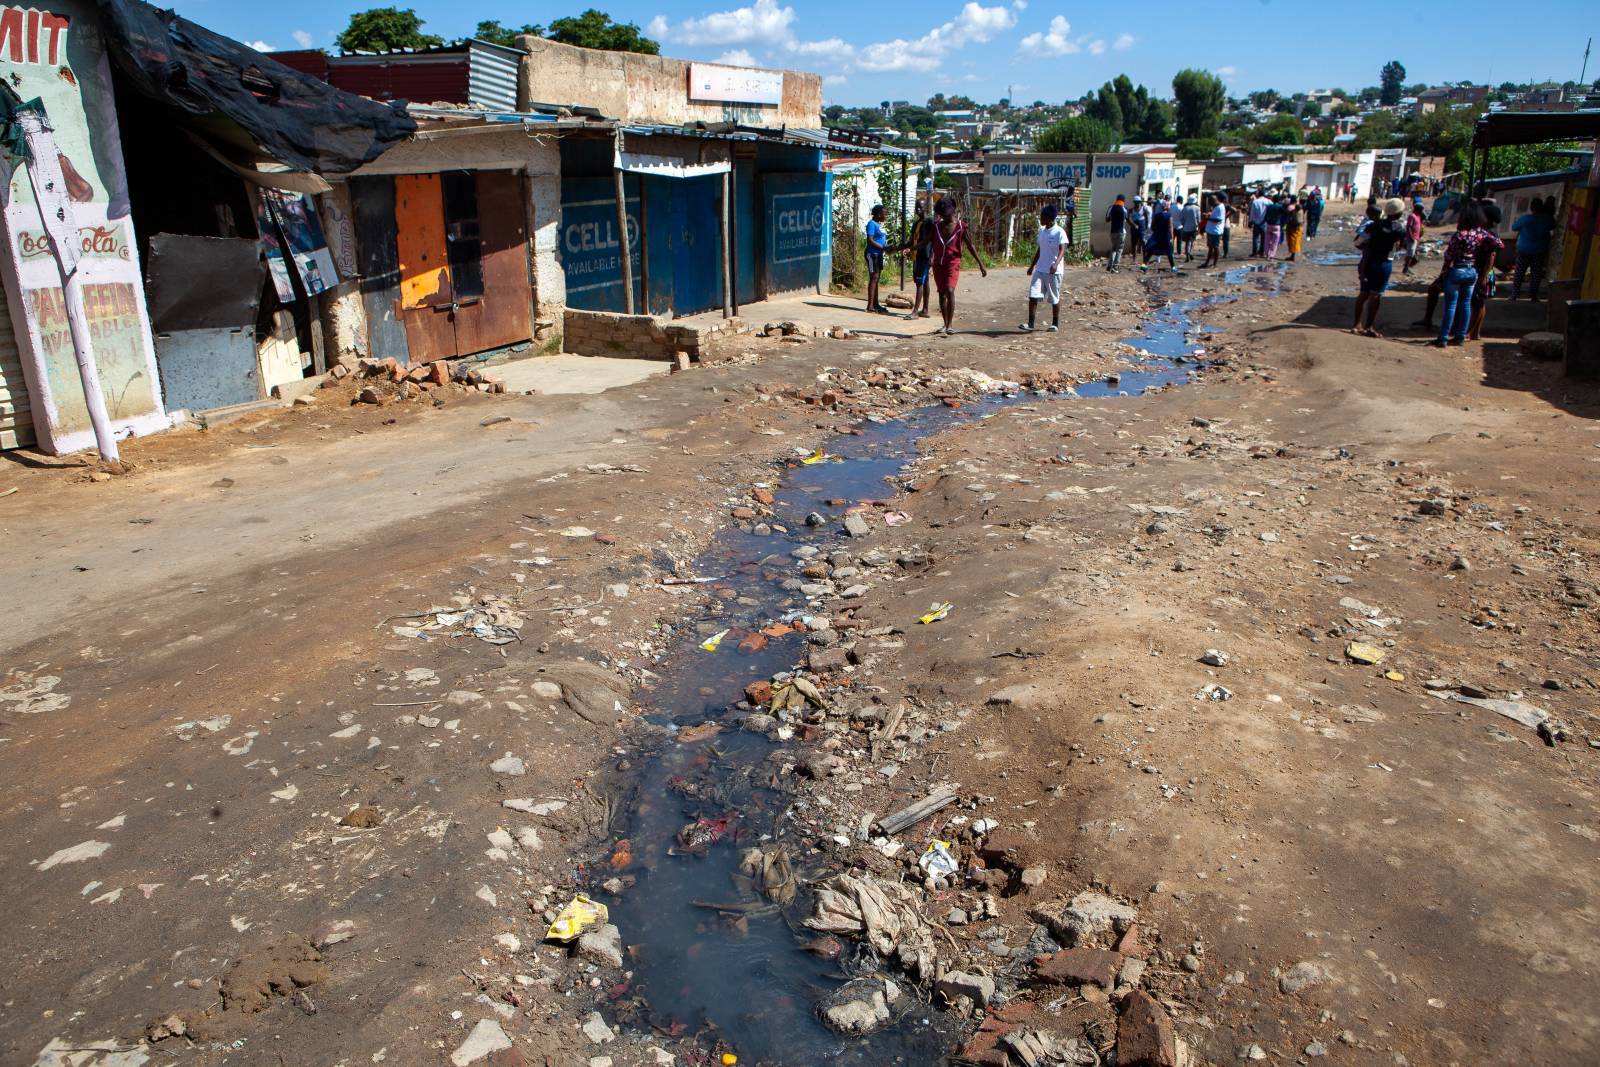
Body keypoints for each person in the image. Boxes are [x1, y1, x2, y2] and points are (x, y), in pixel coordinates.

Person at [1431, 199, 1501, 347]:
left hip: (1457, 270)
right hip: (1472, 272)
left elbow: (1449, 256)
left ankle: (1443, 337)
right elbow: (1498, 244)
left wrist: (1443, 274)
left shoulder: (1459, 235)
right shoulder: (1481, 234)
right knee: (1466, 304)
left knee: (1451, 305)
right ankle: (1460, 337)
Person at [927, 198, 987, 335]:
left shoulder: (961, 226)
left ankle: (950, 325)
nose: (943, 216)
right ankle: (945, 323)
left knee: (950, 290)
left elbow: (971, 245)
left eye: (946, 213)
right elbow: (926, 242)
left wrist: (981, 264)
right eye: (942, 214)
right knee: (942, 294)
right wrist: (910, 247)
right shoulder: (936, 226)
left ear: (952, 211)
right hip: (938, 264)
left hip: (953, 263)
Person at [1350, 198, 1406, 337]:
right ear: (1399, 214)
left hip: (1368, 262)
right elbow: (1402, 247)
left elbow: (1358, 242)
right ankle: (1369, 327)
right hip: (1384, 263)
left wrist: (1367, 249)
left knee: (1364, 293)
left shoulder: (1374, 225)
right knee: (1376, 295)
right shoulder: (1399, 229)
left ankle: (1356, 325)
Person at [1020, 204, 1067, 332]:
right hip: (1040, 269)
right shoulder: (1042, 231)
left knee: (1054, 297)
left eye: (1043, 217)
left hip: (1053, 271)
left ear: (1050, 219)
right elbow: (1040, 250)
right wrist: (1032, 266)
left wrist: (1056, 264)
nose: (1040, 219)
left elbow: (1062, 249)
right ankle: (1030, 323)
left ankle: (1055, 324)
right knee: (1033, 295)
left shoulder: (1059, 232)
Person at [1466, 200, 1503, 341]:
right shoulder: (1492, 232)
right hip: (1486, 271)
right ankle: (1475, 332)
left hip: (1484, 271)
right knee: (1479, 302)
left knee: (1476, 302)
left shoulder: (1490, 234)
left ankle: (1470, 332)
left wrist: (1484, 275)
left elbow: (1491, 256)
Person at [1510, 197, 1556, 301]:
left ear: (1531, 207)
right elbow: (1553, 225)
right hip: (1539, 250)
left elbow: (1514, 227)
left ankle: (1514, 294)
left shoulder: (1525, 218)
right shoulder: (1547, 220)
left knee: (1520, 272)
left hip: (1524, 249)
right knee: (1536, 273)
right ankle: (1533, 296)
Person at [900, 200, 934, 318]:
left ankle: (915, 311)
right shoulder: (916, 224)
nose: (918, 209)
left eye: (921, 207)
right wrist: (904, 248)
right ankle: (925, 310)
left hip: (925, 256)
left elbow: (934, 240)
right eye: (916, 207)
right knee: (925, 282)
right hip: (917, 255)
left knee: (920, 282)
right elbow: (912, 241)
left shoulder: (930, 221)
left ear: (926, 208)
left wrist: (932, 256)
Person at [864, 204, 889, 313]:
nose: (886, 216)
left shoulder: (879, 224)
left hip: (878, 255)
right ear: (879, 215)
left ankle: (875, 304)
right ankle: (870, 306)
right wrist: (883, 247)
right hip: (871, 254)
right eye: (885, 214)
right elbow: (870, 240)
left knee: (876, 278)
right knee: (873, 277)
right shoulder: (871, 224)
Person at [1142, 197, 1177, 272]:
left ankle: (1144, 264)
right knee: (1169, 251)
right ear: (1167, 207)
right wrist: (1171, 236)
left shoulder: (1157, 215)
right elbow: (1170, 227)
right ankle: (1173, 267)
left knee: (1151, 250)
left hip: (1157, 235)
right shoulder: (1169, 215)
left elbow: (1152, 226)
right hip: (1165, 235)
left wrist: (1156, 231)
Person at [1400, 197, 1425, 275]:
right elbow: (1409, 227)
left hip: (1416, 238)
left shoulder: (1418, 216)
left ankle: (1407, 268)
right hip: (1411, 238)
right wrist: (1411, 237)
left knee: (1413, 256)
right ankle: (1405, 269)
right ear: (1418, 209)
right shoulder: (1412, 216)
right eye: (1421, 209)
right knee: (1410, 255)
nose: (1422, 211)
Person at [1105, 194, 1129, 272]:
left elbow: (1107, 219)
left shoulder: (1111, 208)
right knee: (1119, 249)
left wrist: (1113, 217)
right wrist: (1135, 225)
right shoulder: (1124, 209)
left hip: (1113, 232)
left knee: (1114, 248)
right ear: (1123, 201)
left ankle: (1109, 265)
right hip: (1121, 232)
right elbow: (1127, 218)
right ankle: (1115, 267)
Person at [1202, 193, 1226, 268]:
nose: (1209, 204)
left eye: (1210, 202)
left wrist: (1207, 218)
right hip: (1211, 230)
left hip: (1216, 231)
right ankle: (1207, 262)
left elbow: (1218, 219)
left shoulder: (1220, 207)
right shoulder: (1216, 207)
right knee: (1210, 247)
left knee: (1215, 247)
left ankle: (1214, 264)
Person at [1128, 196, 1151, 266]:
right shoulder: (1131, 210)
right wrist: (1133, 225)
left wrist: (1147, 227)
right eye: (1135, 202)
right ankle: (1134, 259)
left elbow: (1147, 218)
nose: (1137, 204)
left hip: (1142, 228)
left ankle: (1145, 259)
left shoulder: (1144, 209)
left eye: (1138, 202)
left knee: (1143, 242)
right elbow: (1128, 218)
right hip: (1134, 228)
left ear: (1140, 202)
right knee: (1134, 243)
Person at [1248, 188, 1270, 257]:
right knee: (1263, 238)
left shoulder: (1255, 202)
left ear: (1259, 194)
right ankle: (1261, 252)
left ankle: (1254, 252)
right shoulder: (1268, 201)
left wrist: (1250, 221)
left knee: (1255, 238)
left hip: (1256, 222)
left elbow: (1252, 213)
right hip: (1265, 222)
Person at [1177, 194, 1199, 261]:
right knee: (1191, 241)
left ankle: (1187, 254)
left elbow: (1181, 218)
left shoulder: (1185, 208)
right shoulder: (1197, 208)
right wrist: (1199, 227)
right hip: (1194, 227)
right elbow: (1199, 219)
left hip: (1186, 227)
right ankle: (1190, 252)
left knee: (1187, 242)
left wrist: (1183, 224)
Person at [1263, 195, 1285, 260]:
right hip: (1277, 225)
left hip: (1269, 224)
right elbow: (1284, 214)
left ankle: (1267, 255)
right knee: (1275, 242)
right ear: (1279, 200)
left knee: (1267, 240)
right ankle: (1271, 255)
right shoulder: (1280, 207)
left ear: (1273, 200)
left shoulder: (1269, 206)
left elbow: (1266, 215)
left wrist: (1265, 221)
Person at [1283, 195, 1303, 262]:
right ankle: (1293, 255)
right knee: (1296, 240)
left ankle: (1292, 256)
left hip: (1291, 226)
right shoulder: (1299, 207)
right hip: (1298, 226)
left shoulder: (1290, 207)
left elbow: (1287, 215)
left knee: (1291, 240)